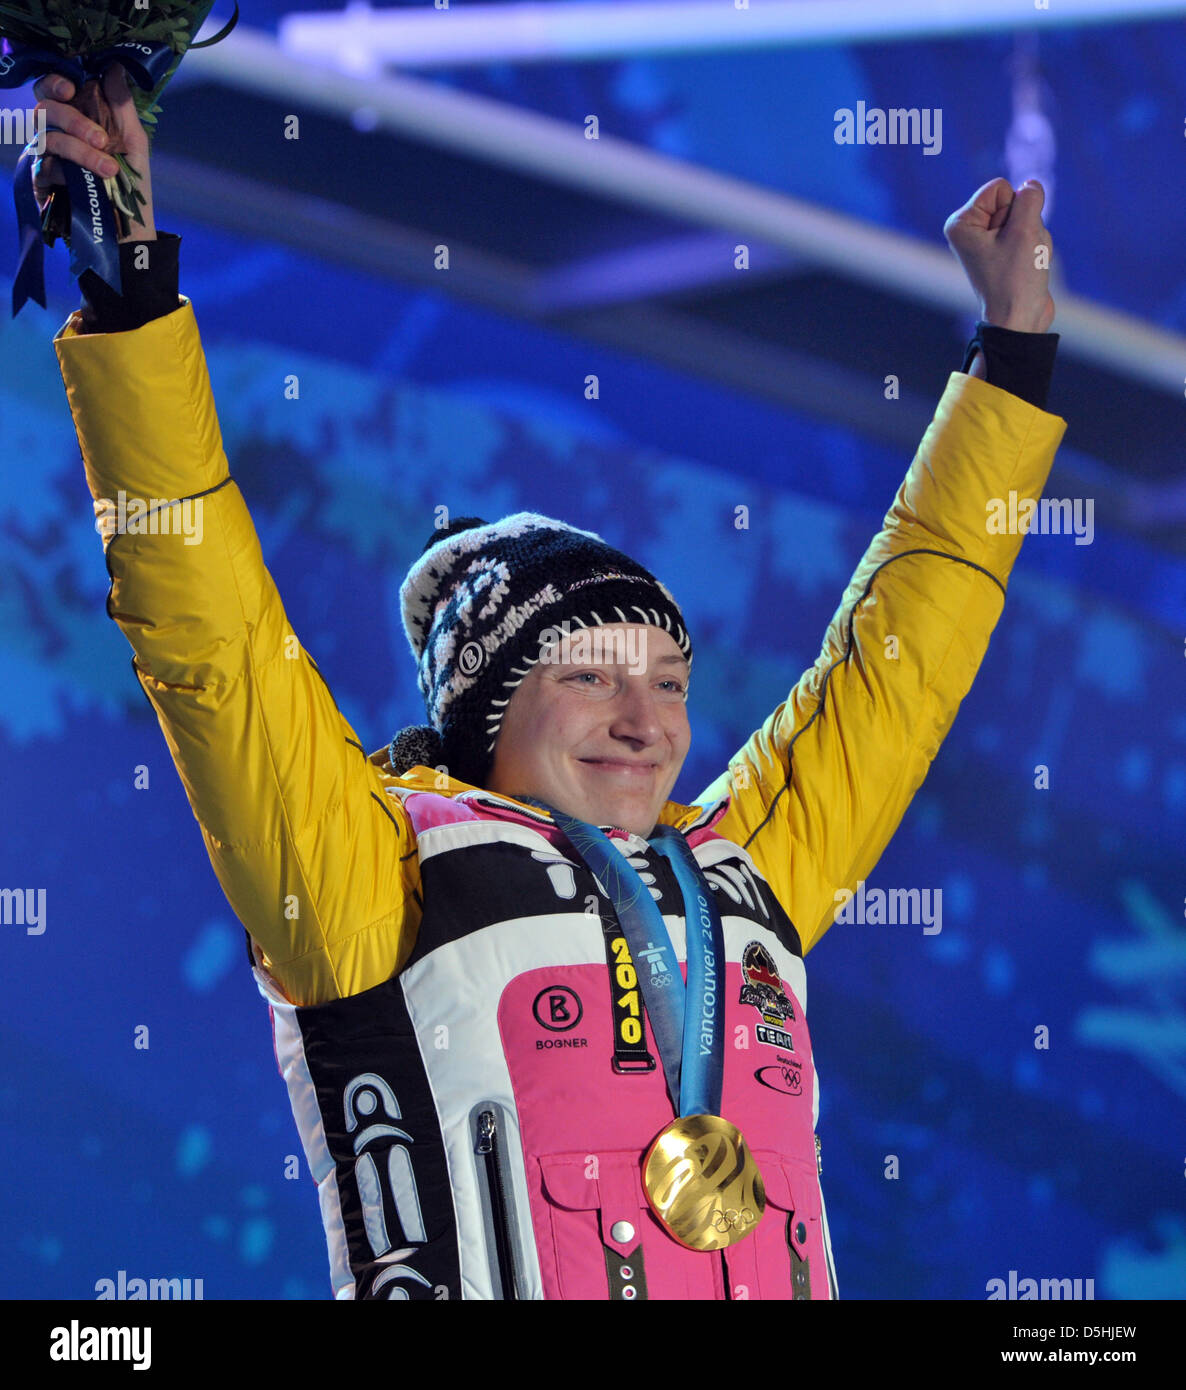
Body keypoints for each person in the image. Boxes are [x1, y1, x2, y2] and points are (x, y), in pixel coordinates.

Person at [35, 65, 1067, 1300]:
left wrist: (1011, 356)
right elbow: (216, 644)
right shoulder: (371, 876)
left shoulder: (748, 871)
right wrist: (134, 298)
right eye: (586, 676)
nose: (645, 724)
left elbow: (911, 650)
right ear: (485, 710)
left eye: (670, 683)